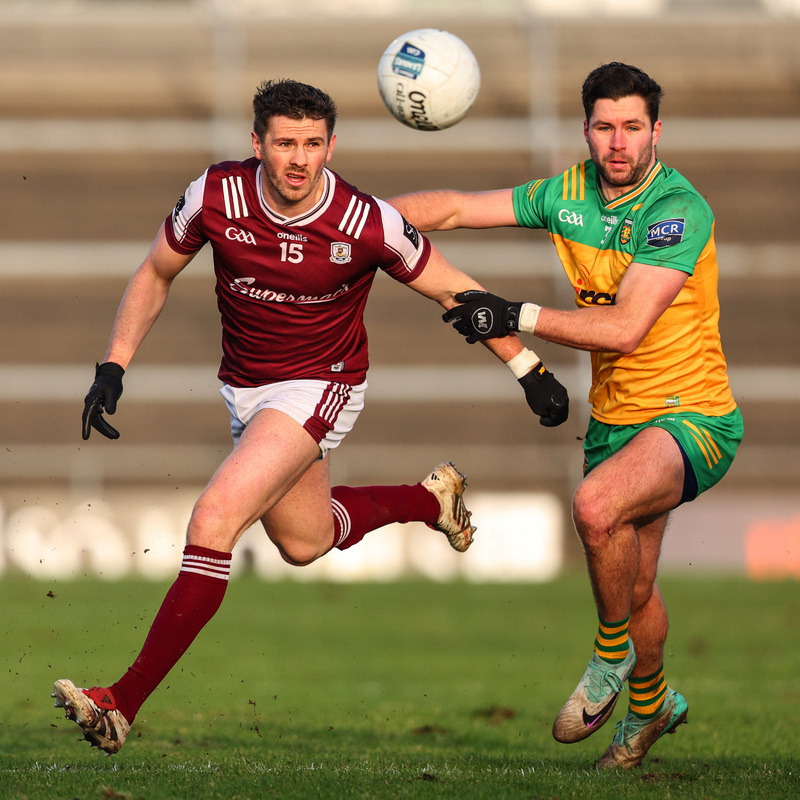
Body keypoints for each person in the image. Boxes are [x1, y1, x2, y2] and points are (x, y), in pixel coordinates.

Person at [51, 79, 568, 755]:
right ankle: (428, 499)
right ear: (258, 142)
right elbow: (156, 272)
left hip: (320, 386)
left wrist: (528, 370)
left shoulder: (365, 221)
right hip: (244, 387)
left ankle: (121, 701)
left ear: (332, 146)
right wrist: (114, 364)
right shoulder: (215, 195)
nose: (299, 159)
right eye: (285, 142)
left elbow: (455, 290)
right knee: (303, 542)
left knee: (213, 521)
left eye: (313, 144)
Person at [389, 62, 743, 769]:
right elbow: (457, 207)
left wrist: (512, 313)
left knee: (594, 507)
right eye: (605, 126)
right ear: (586, 129)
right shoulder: (567, 193)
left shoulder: (679, 207)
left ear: (656, 133)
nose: (618, 142)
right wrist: (349, 218)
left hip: (692, 416)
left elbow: (625, 329)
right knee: (636, 587)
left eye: (633, 127)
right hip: (615, 421)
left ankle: (609, 659)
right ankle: (654, 706)